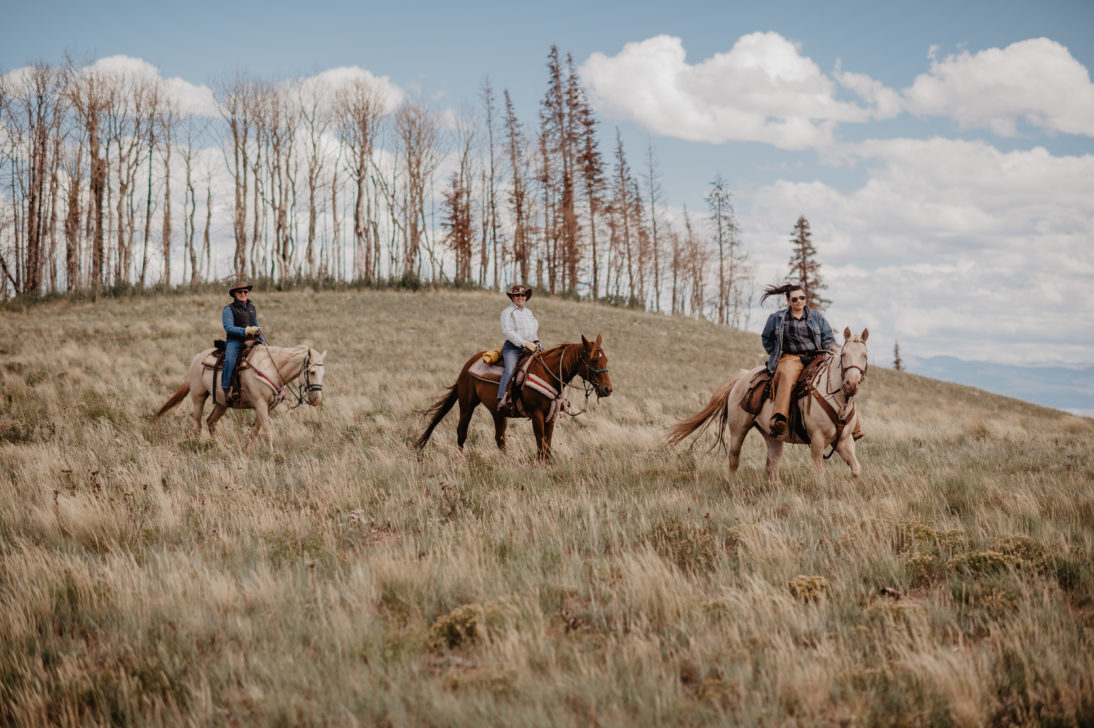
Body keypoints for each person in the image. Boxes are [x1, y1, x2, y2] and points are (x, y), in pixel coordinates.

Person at [760, 282, 836, 437]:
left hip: (816, 357)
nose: (799, 301)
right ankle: (779, 416)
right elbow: (766, 338)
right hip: (791, 358)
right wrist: (775, 353)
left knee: (836, 376)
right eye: (795, 299)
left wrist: (833, 348)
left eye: (802, 297)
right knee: (786, 375)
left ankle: (849, 423)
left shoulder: (816, 317)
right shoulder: (777, 318)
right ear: (788, 301)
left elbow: (828, 337)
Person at [221, 281, 266, 403]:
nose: (243, 293)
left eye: (245, 291)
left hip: (252, 340)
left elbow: (256, 324)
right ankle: (226, 388)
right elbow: (228, 327)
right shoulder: (228, 309)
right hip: (235, 341)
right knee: (230, 360)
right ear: (234, 294)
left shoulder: (252, 308)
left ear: (248, 293)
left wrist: (262, 339)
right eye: (240, 291)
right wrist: (245, 330)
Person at [497, 284, 540, 413]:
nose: (520, 297)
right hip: (513, 348)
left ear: (526, 297)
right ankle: (501, 398)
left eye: (522, 295)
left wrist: (537, 342)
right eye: (517, 295)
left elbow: (533, 330)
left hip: (532, 346)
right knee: (510, 370)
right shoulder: (507, 312)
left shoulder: (528, 312)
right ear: (512, 297)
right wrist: (525, 343)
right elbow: (508, 332)